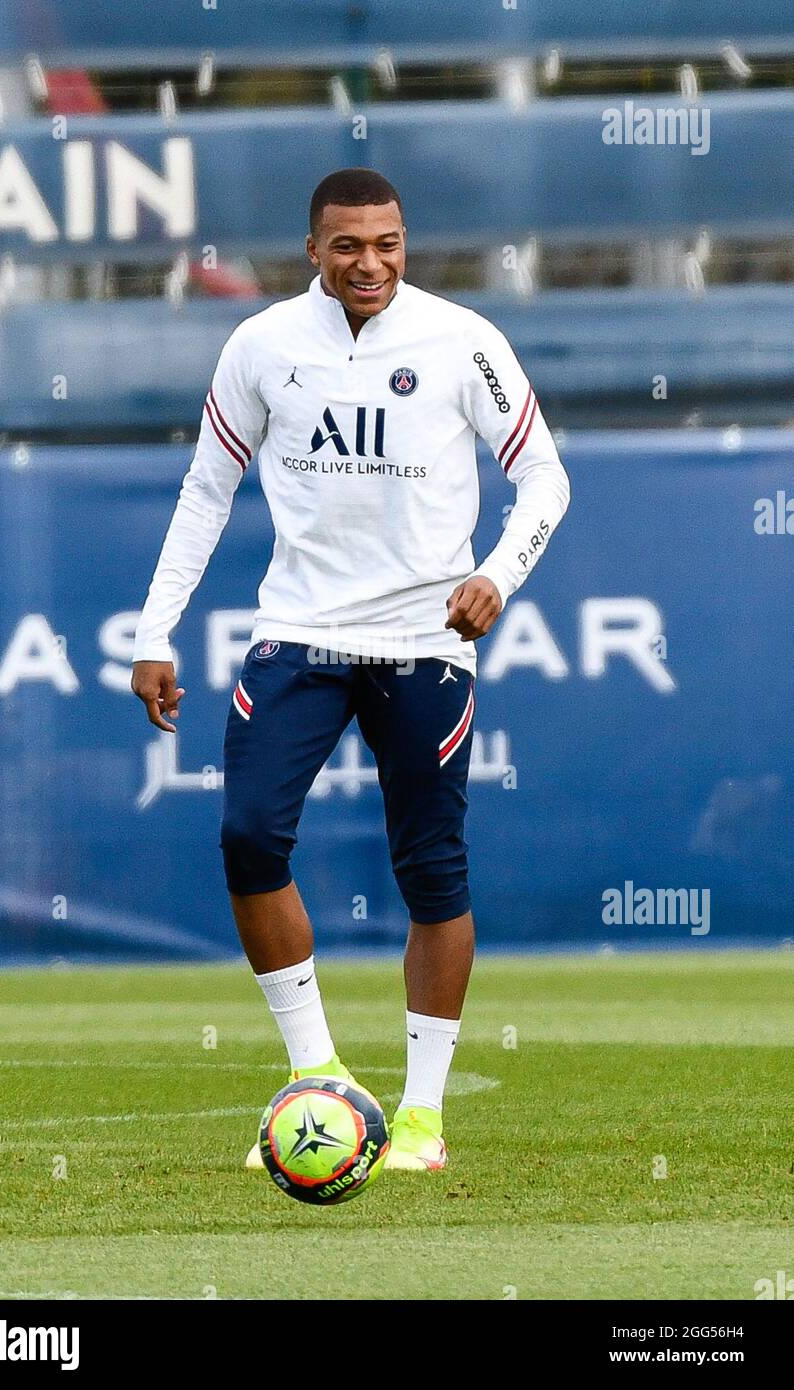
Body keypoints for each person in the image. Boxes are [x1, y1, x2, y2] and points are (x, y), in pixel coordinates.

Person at [132, 167, 570, 1170]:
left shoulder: (462, 341)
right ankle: (316, 1076)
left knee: (429, 871)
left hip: (424, 644)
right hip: (299, 636)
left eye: (387, 244)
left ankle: (420, 1117)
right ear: (313, 252)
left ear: (403, 246)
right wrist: (154, 632)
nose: (368, 262)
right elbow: (206, 492)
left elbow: (542, 475)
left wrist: (495, 577)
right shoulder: (263, 346)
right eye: (347, 246)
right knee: (247, 835)